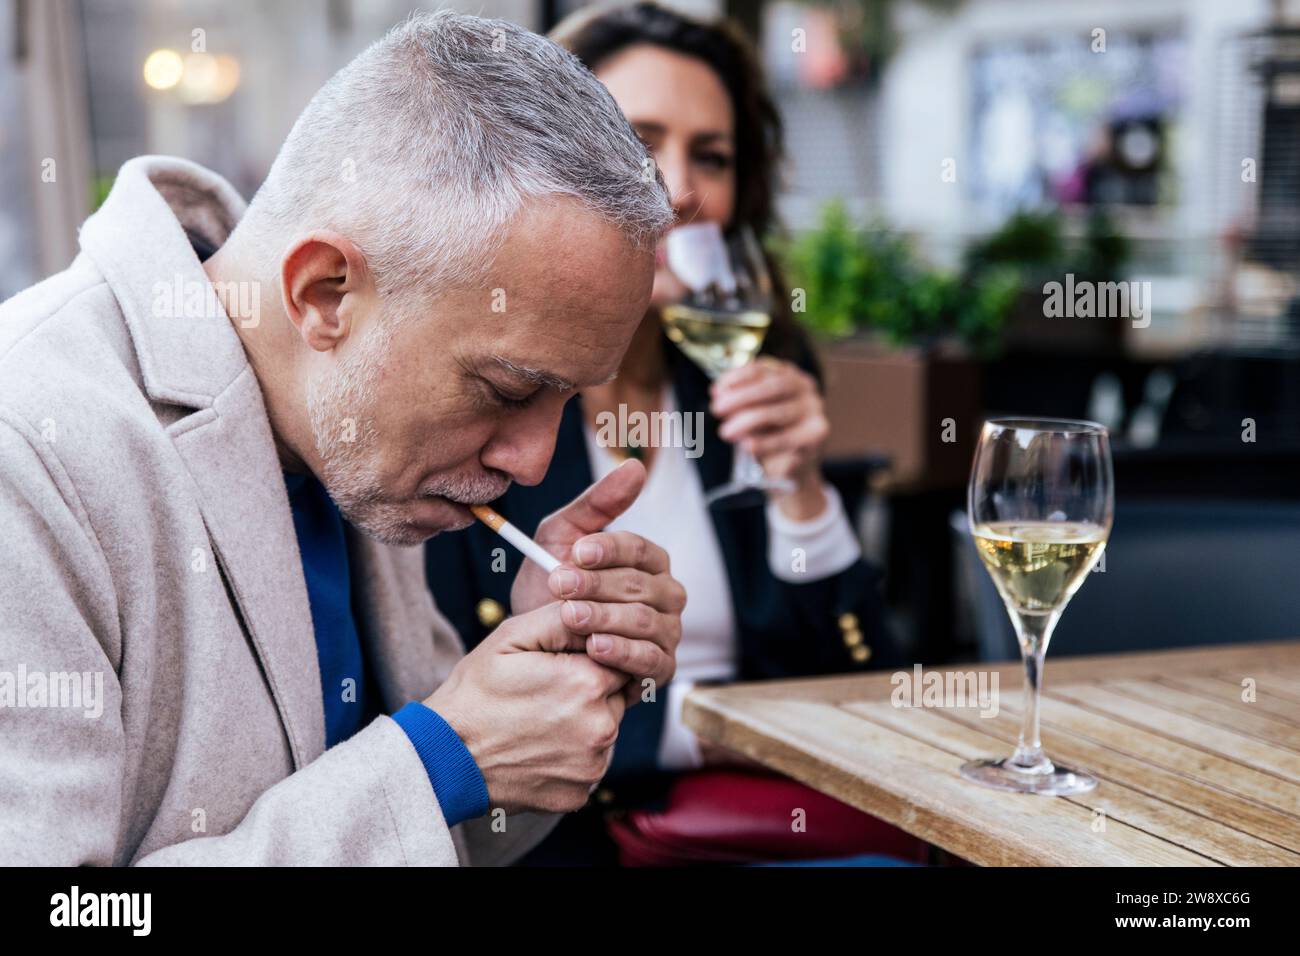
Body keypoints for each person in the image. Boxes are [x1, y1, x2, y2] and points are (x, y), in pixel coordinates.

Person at [0, 11, 686, 865]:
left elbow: (440, 842)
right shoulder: (27, 446)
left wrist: (539, 682)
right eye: (509, 389)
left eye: (567, 398)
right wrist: (439, 763)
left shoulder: (346, 433)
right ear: (325, 293)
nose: (536, 460)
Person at [425, 1, 904, 865]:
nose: (679, 188)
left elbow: (851, 682)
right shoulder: (481, 392)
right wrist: (694, 729)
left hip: (764, 833)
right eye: (638, 142)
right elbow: (444, 686)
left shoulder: (741, 380)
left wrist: (802, 492)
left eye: (711, 158)